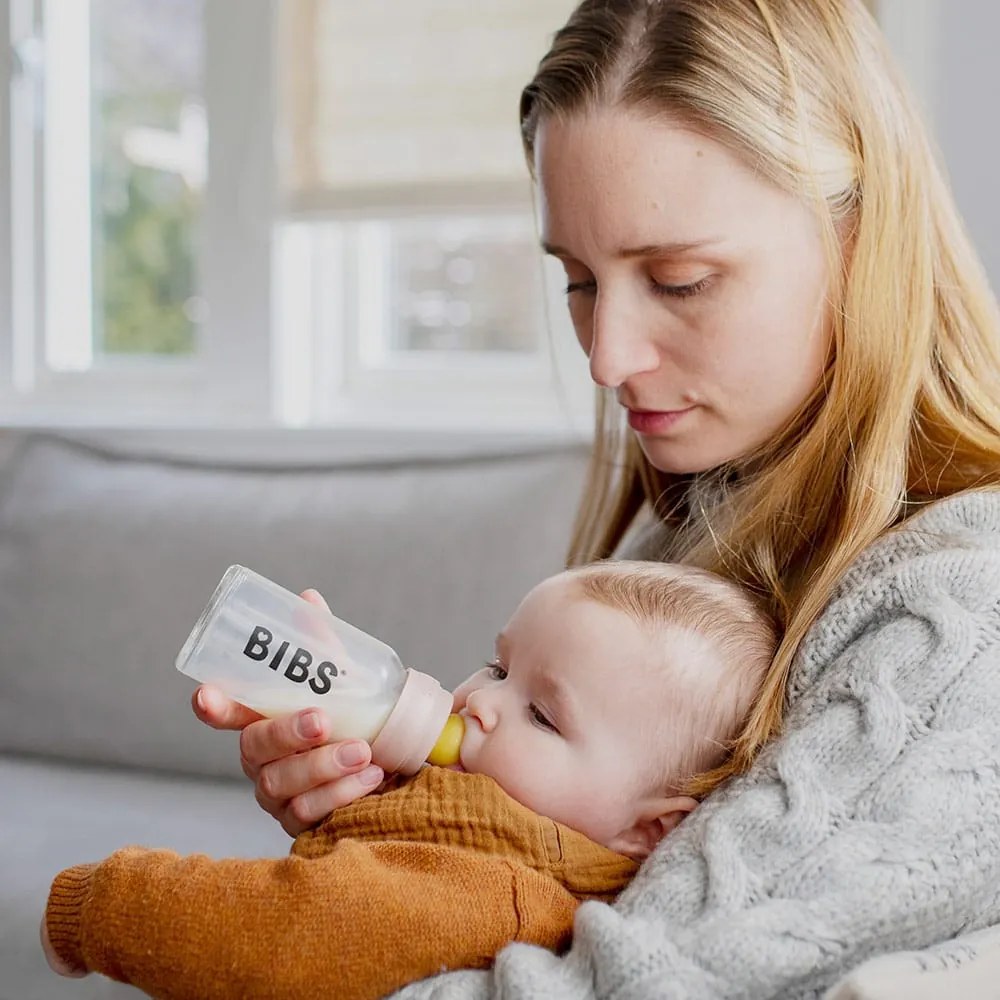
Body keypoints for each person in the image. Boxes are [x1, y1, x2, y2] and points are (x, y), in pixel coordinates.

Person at [193, 1, 1000, 997]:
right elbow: (576, 890)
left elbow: (646, 978)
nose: (607, 357)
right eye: (577, 279)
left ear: (861, 239)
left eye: (680, 278)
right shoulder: (701, 516)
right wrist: (401, 817)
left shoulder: (959, 619)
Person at [42, 561, 777, 999]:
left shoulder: (494, 897)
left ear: (649, 829)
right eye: (497, 667)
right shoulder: (482, 828)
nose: (479, 702)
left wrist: (97, 905)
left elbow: (278, 934)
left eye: (543, 717)